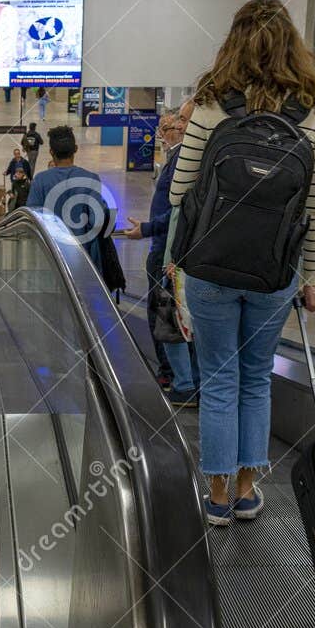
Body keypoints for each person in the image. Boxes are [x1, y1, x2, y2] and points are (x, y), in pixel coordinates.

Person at [165, 0, 315, 526]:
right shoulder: (313, 107)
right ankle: (246, 491)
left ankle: (215, 497)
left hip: (210, 267)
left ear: (232, 41)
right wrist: (314, 280)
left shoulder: (213, 102)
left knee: (217, 378)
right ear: (294, 45)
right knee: (255, 378)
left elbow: (178, 194)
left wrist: (177, 262)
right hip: (273, 272)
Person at [121, 100, 198, 405]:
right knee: (172, 314)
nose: (173, 129)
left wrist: (151, 230)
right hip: (168, 249)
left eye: (179, 122)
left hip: (169, 252)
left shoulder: (183, 162)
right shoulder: (178, 160)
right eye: (169, 125)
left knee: (166, 315)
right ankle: (183, 377)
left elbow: (180, 213)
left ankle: (178, 379)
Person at [27, 125, 110, 271]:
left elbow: (33, 220)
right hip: (83, 257)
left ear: (51, 152)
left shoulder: (40, 180)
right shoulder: (90, 179)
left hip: (50, 257)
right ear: (75, 149)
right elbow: (96, 222)